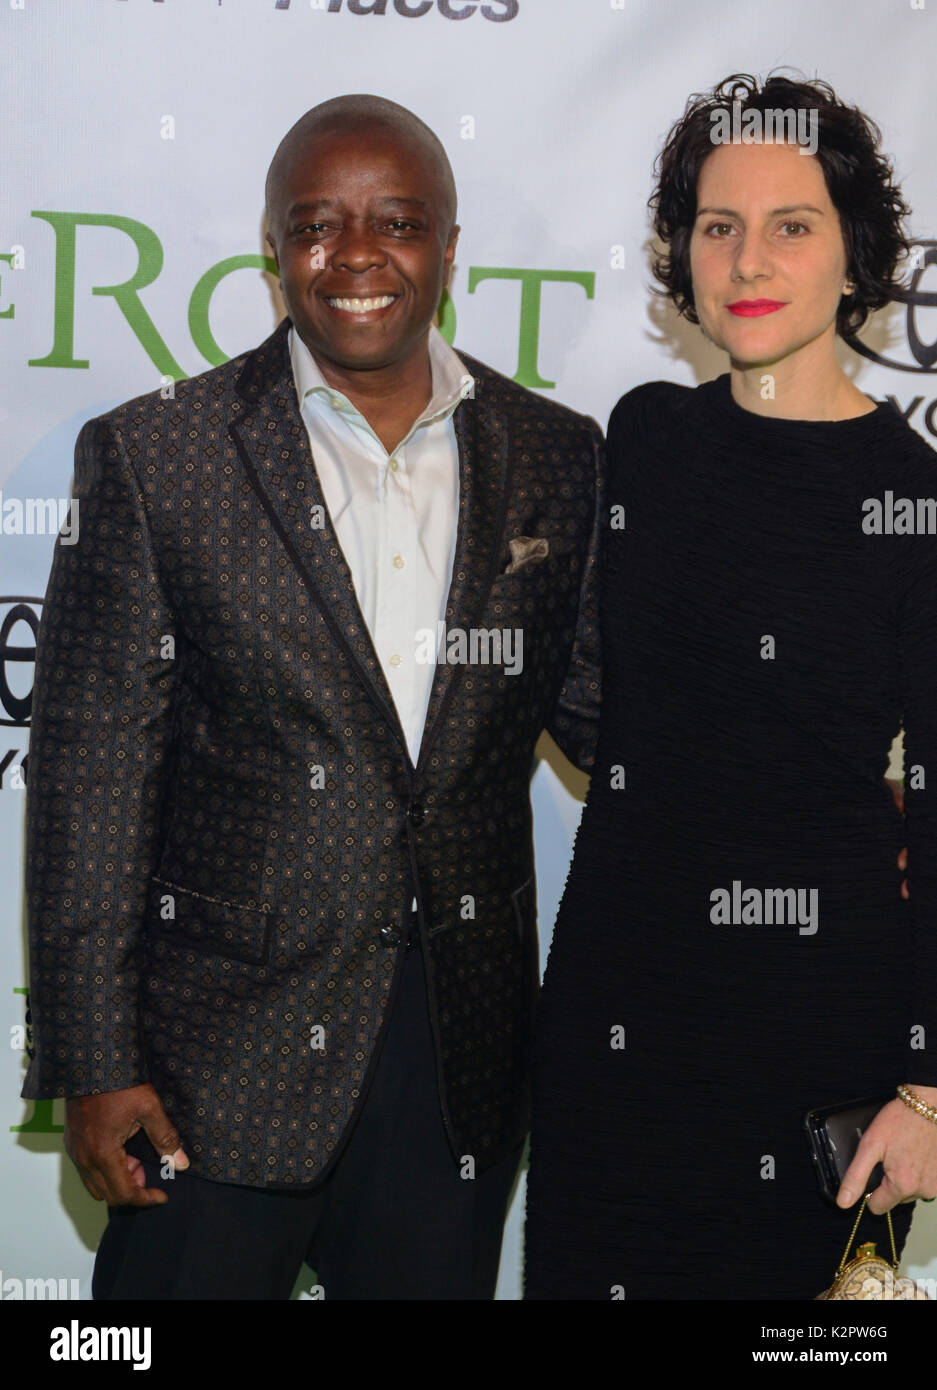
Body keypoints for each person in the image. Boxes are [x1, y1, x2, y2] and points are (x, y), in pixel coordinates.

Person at [22, 94, 604, 1300]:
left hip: (459, 1060)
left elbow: (615, 722)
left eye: (395, 221)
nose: (355, 257)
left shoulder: (555, 451)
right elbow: (89, 779)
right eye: (315, 225)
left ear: (449, 244)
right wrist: (92, 1061)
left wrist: (844, 800)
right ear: (274, 249)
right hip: (212, 1063)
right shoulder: (154, 454)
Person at [525, 72, 937, 1301]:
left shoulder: (912, 501)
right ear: (684, 252)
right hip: (619, 1001)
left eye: (791, 225)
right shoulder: (643, 436)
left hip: (819, 1027)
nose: (748, 258)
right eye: (718, 225)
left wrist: (924, 1089)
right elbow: (605, 706)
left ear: (856, 257)